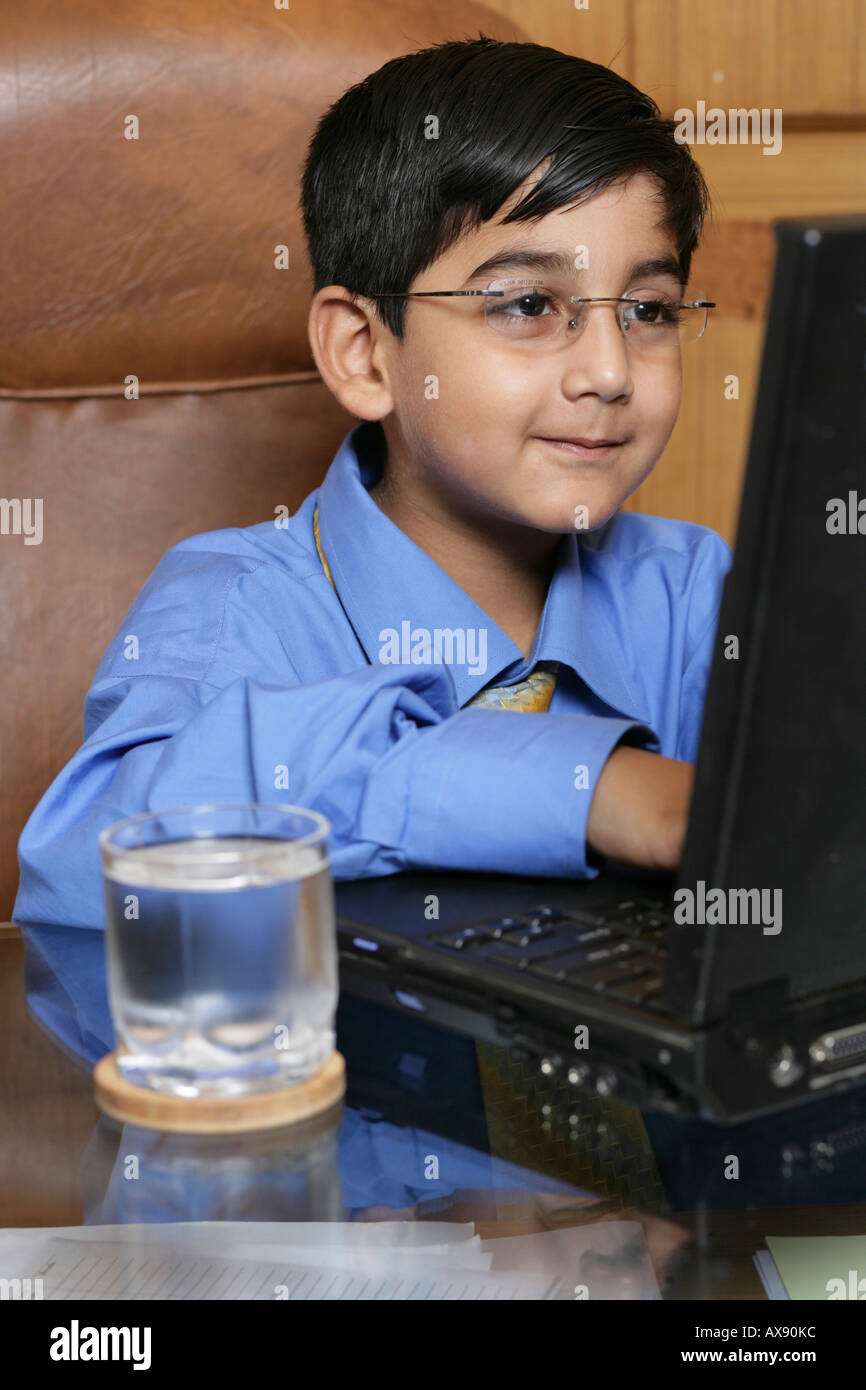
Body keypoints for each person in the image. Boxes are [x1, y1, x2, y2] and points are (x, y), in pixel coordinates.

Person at [14, 37, 731, 939]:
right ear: (364, 352)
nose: (609, 370)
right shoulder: (235, 609)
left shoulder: (695, 591)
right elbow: (90, 858)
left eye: (649, 311)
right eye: (525, 305)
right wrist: (578, 788)